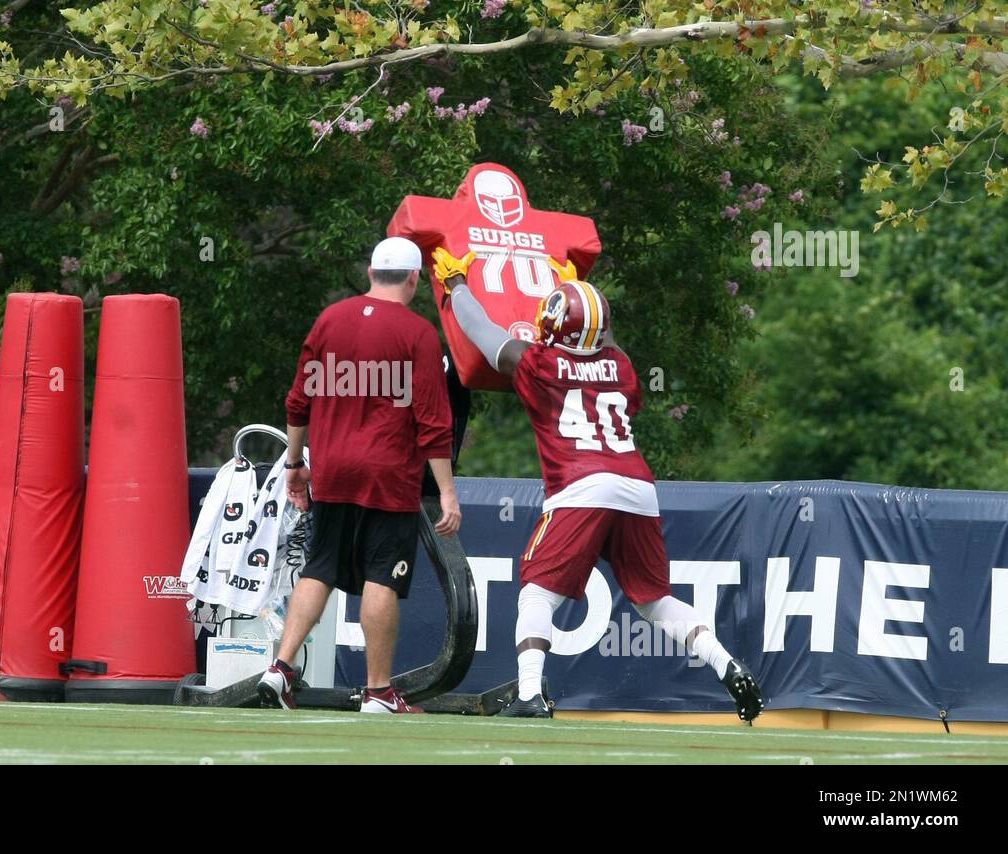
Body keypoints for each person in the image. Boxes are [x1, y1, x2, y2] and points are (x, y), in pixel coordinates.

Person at [431, 247, 763, 721]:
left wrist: (457, 283)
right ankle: (726, 665)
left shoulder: (538, 364)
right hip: (638, 486)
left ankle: (529, 694)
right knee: (654, 600)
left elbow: (481, 331)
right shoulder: (623, 368)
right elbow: (608, 346)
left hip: (581, 484)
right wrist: (586, 300)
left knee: (536, 593)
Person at [257, 237, 462, 714]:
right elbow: (434, 422)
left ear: (371, 272)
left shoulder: (331, 319)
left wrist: (294, 464)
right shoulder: (419, 334)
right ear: (414, 279)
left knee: (320, 567)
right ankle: (377, 691)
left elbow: (298, 401)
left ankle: (281, 667)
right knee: (382, 576)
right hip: (388, 474)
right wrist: (448, 493)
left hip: (332, 468)